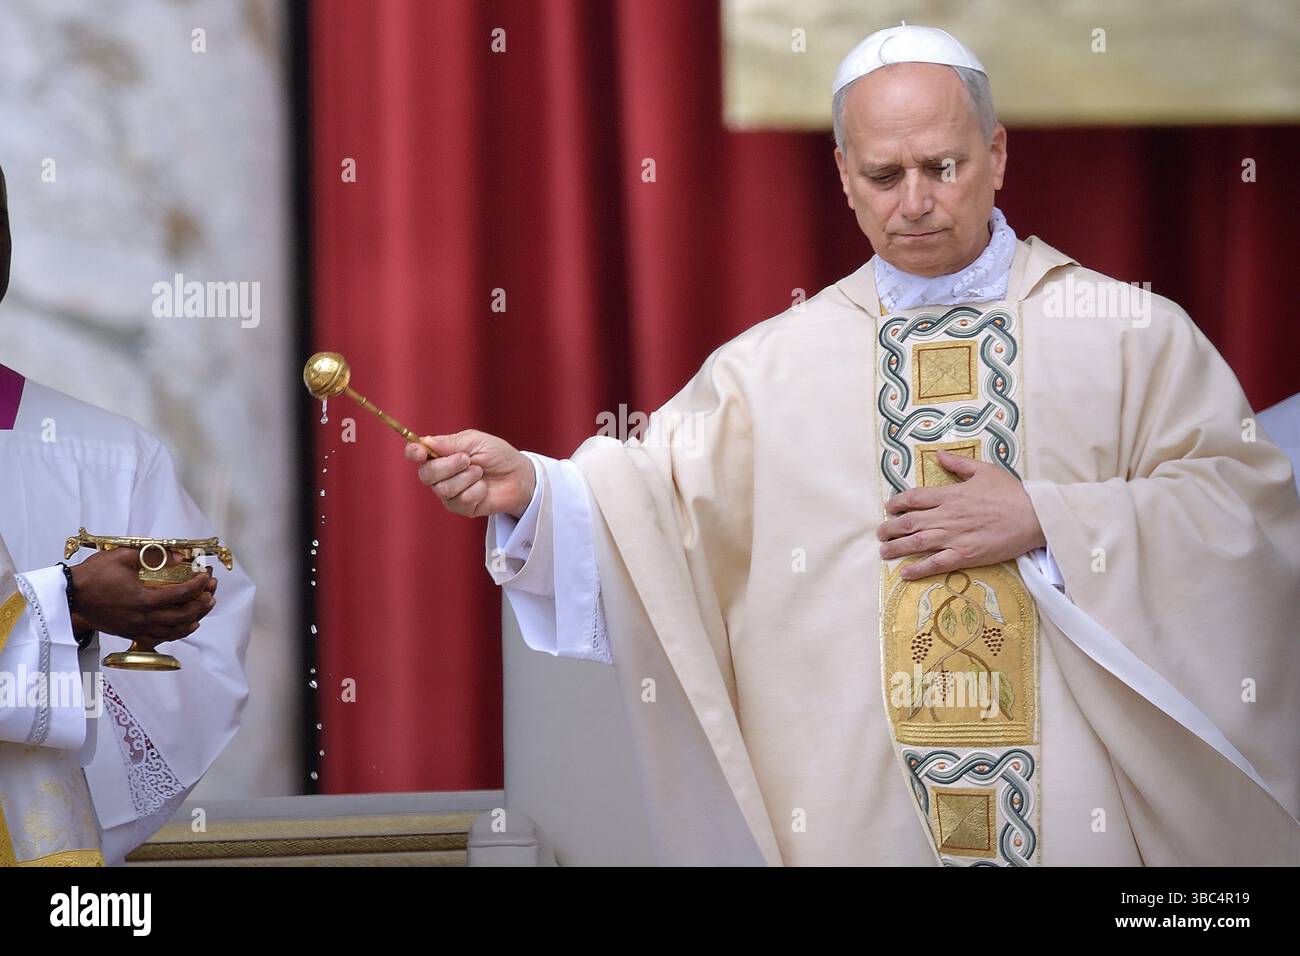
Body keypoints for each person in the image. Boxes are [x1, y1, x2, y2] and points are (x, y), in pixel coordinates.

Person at [406, 25, 1300, 865]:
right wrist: (530, 488)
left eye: (943, 166)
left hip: (1076, 813)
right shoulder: (770, 371)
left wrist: (1046, 517)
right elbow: (653, 514)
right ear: (841, 174)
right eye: (884, 175)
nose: (915, 202)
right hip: (857, 815)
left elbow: (1249, 522)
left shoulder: (1129, 334)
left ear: (997, 154)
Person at [0, 164, 253, 866]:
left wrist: (67, 788)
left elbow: (207, 650)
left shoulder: (111, 456)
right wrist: (69, 607)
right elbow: (71, 606)